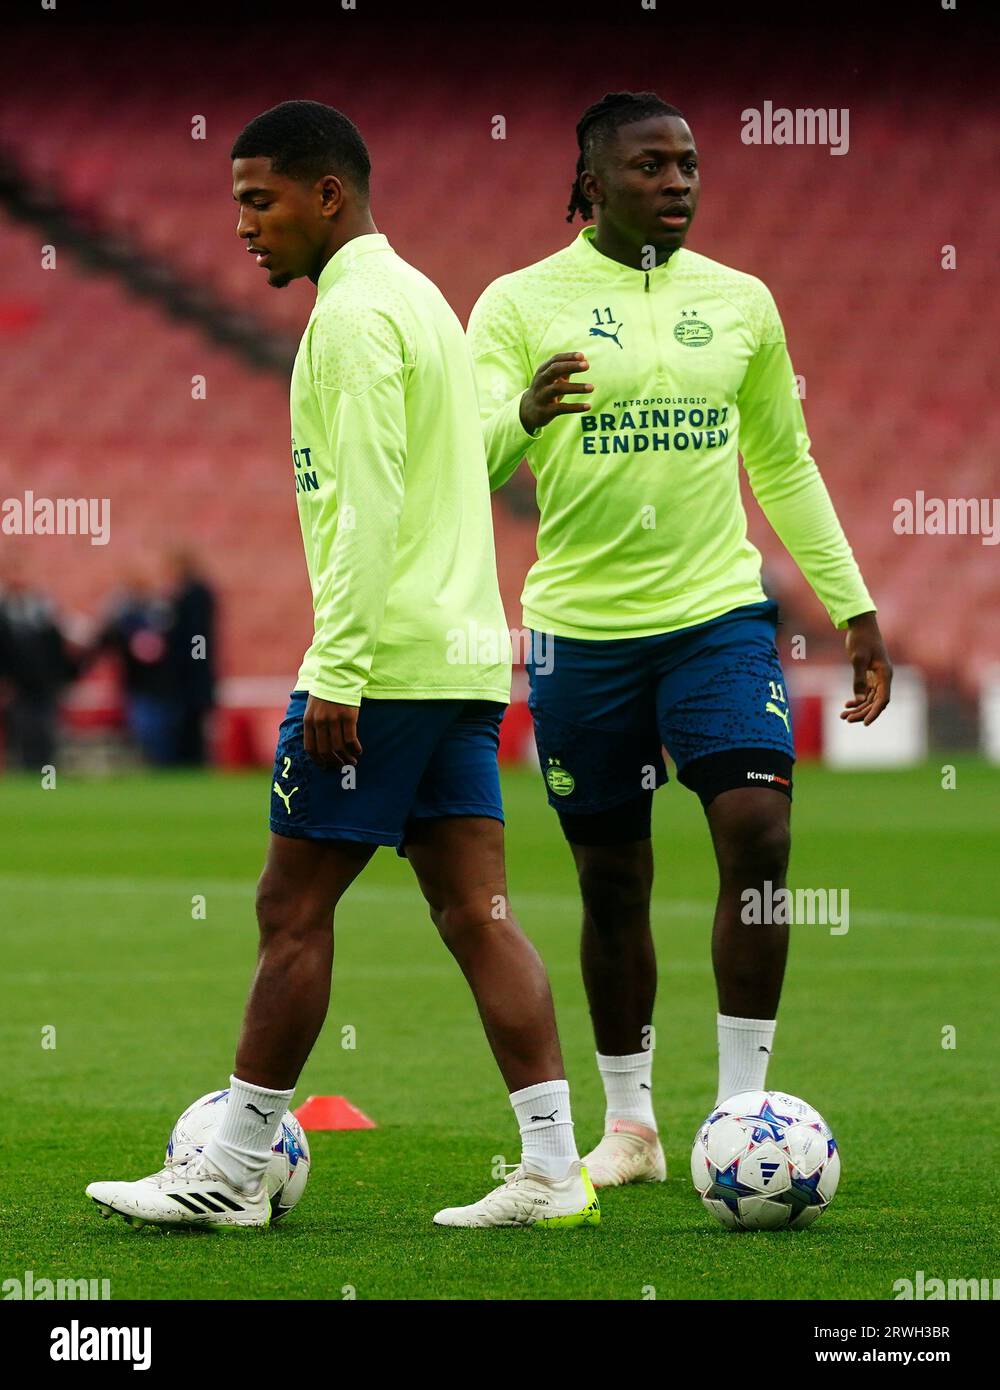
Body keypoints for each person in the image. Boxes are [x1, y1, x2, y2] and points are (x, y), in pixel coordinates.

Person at [86, 101, 597, 1231]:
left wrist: (341, 671)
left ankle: (228, 1170)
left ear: (327, 194)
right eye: (235, 206)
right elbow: (456, 464)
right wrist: (516, 414)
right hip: (463, 660)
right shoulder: (421, 299)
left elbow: (365, 502)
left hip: (392, 664)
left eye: (258, 201)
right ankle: (556, 1167)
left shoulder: (355, 321)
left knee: (291, 906)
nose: (242, 227)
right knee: (476, 909)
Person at [467, 91, 892, 1187]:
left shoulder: (740, 302)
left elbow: (783, 464)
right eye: (651, 166)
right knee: (613, 880)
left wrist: (853, 606)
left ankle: (743, 1110)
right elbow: (463, 463)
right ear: (590, 183)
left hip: (715, 618)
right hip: (579, 635)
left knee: (756, 835)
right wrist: (518, 413)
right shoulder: (518, 303)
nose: (679, 183)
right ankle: (631, 1128)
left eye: (689, 165)